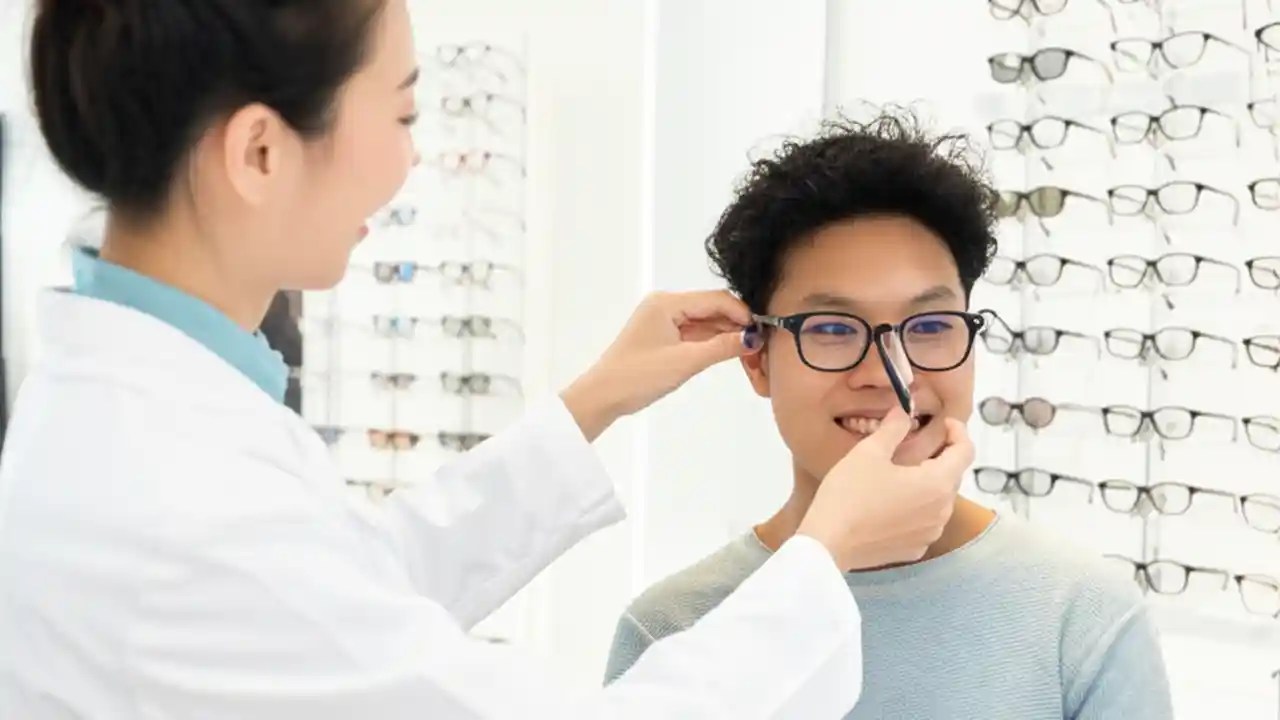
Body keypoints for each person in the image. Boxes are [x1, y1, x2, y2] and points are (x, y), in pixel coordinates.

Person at [0, 2, 978, 718]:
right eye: (403, 115)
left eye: (928, 324)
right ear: (260, 153)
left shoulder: (141, 421)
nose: (408, 162)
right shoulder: (172, 492)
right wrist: (822, 558)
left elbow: (347, 598)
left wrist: (593, 402)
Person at [603, 110, 1175, 719]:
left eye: (928, 326)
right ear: (757, 360)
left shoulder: (1083, 619)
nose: (888, 372)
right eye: (831, 327)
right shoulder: (671, 629)